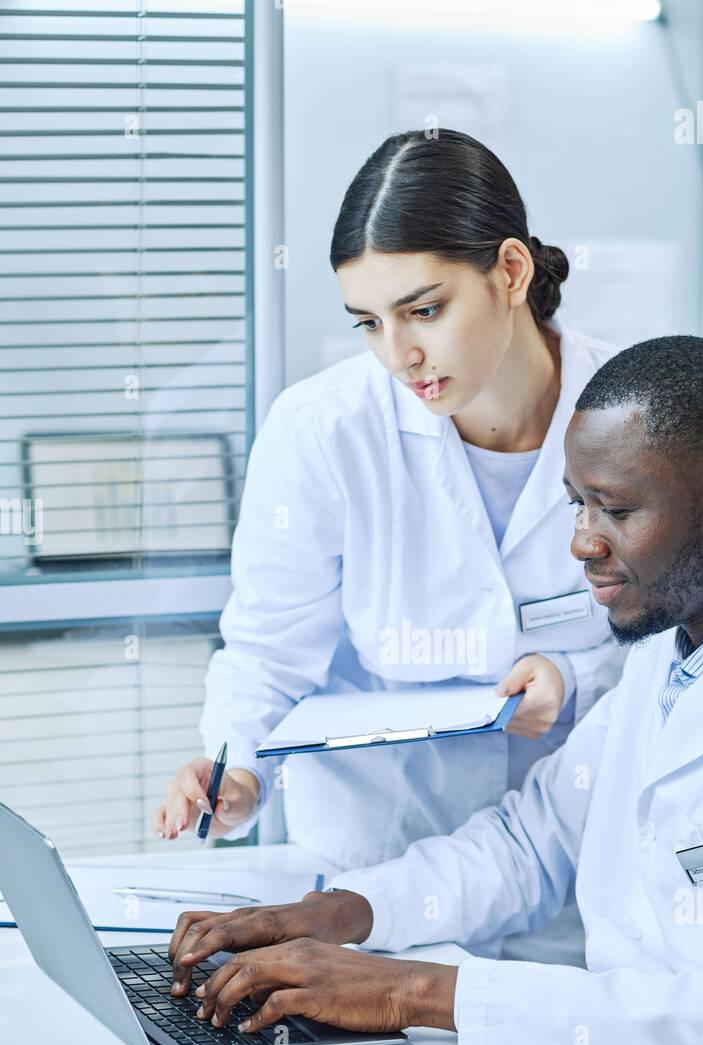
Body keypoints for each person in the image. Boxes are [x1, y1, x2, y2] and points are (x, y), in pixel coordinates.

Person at [167, 335, 703, 1045]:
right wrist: (344, 914)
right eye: (575, 504)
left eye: (613, 509)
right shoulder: (678, 640)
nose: (581, 544)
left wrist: (416, 991)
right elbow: (532, 841)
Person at [152, 129, 623, 876]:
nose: (397, 355)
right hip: (372, 859)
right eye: (370, 323)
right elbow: (270, 651)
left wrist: (577, 681)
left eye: (425, 311)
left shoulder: (637, 415)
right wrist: (236, 774)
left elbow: (693, 637)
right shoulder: (322, 430)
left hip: (568, 854)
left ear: (509, 271)